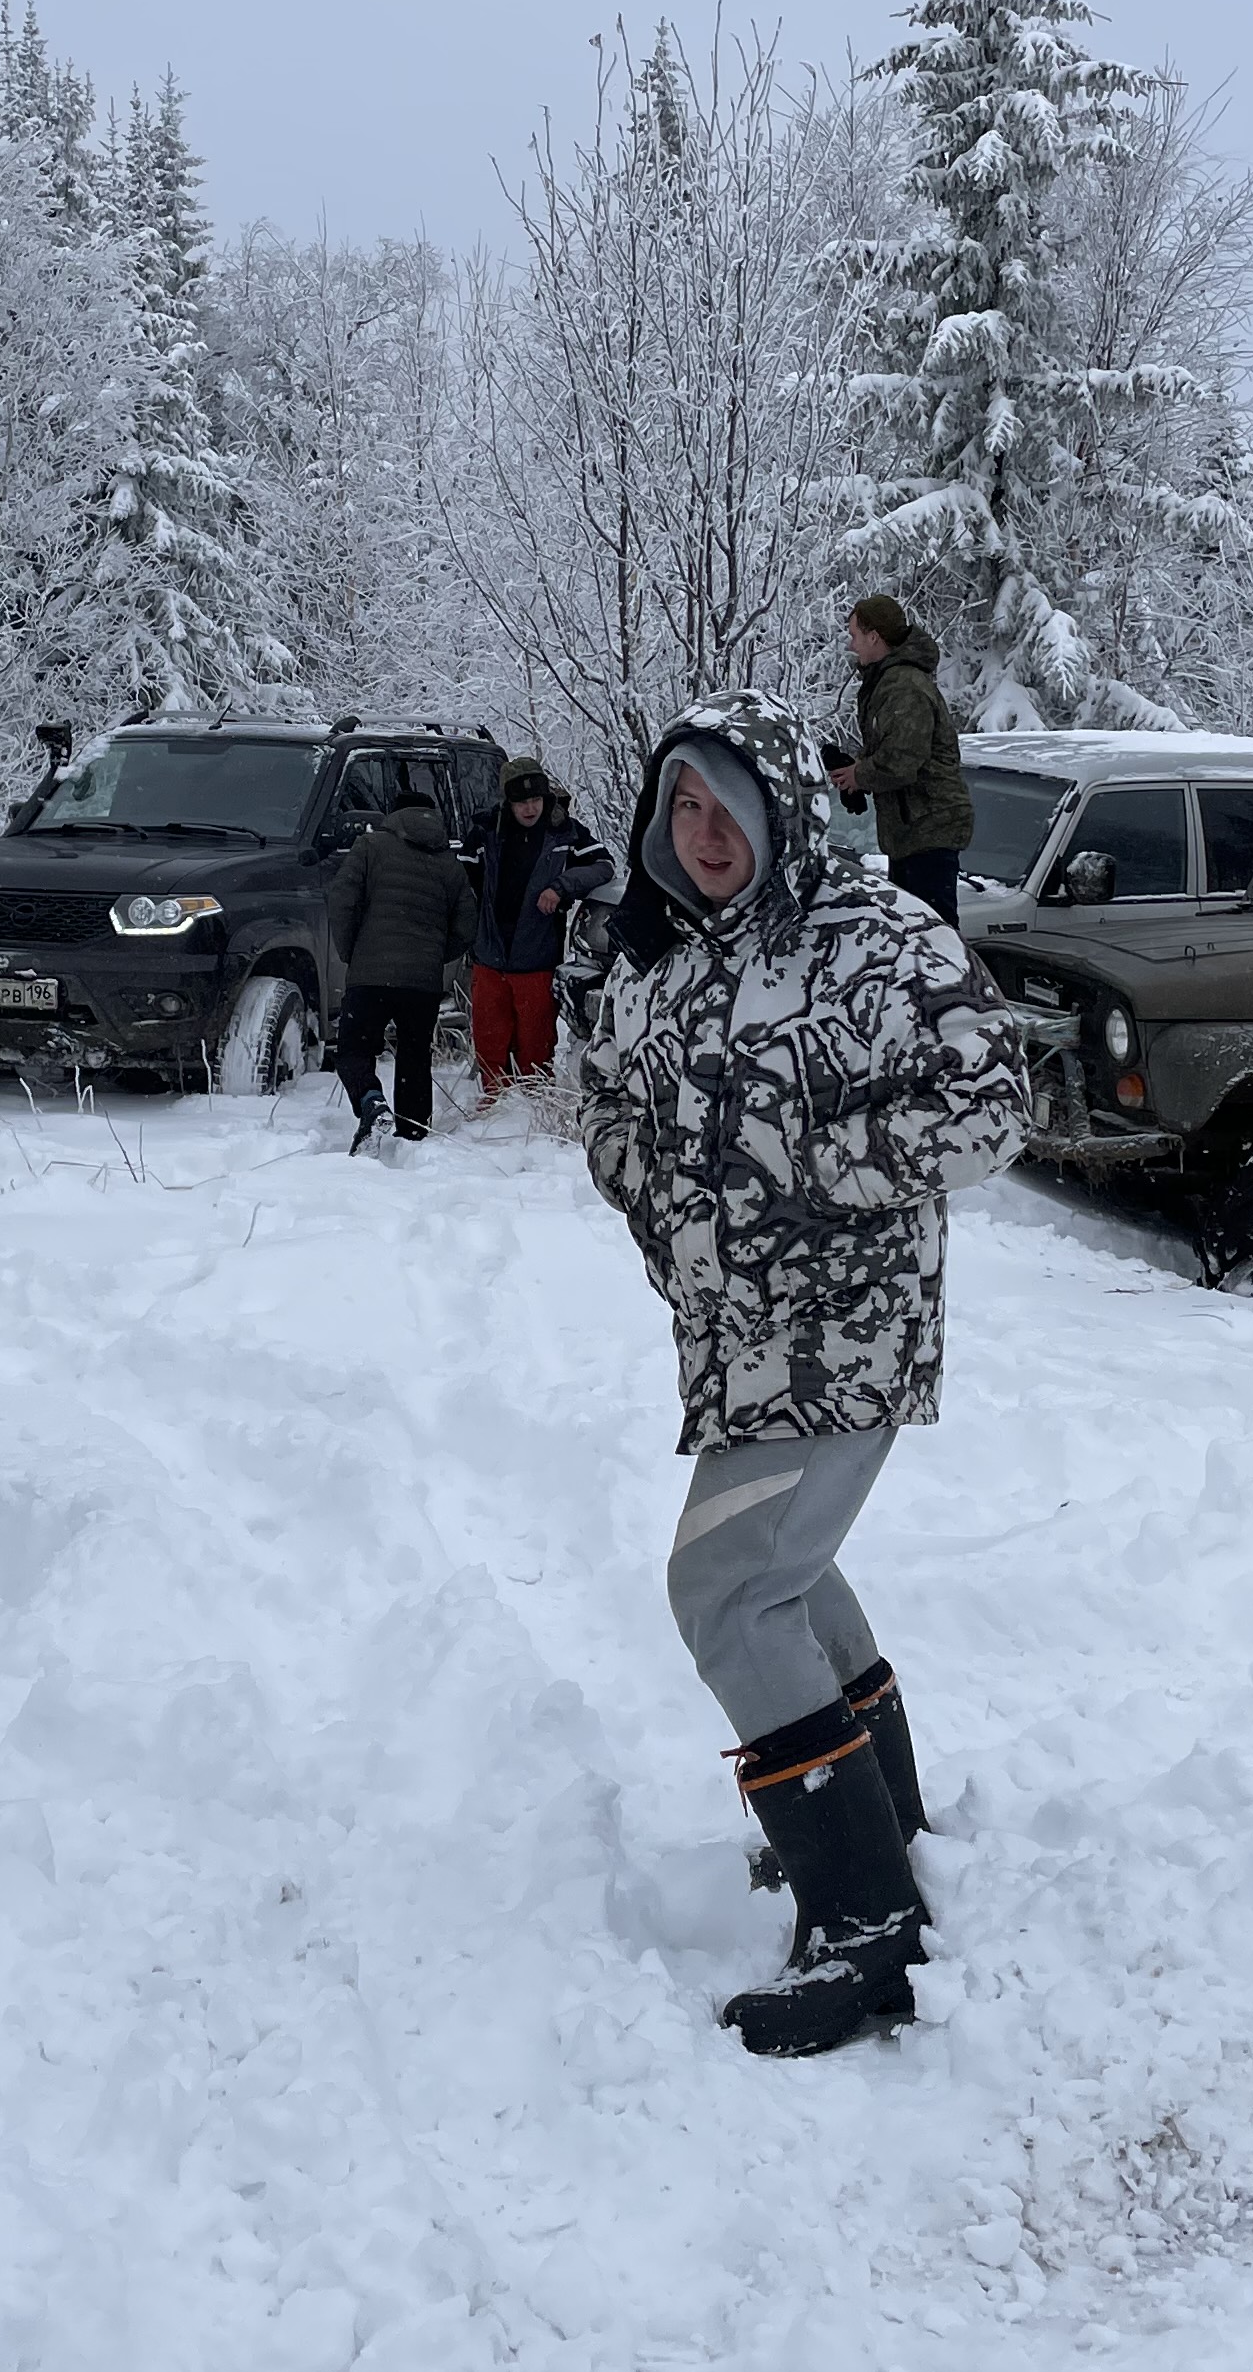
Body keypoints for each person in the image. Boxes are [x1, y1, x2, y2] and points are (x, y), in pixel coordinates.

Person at [580, 692, 1026, 2056]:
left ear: (786, 802)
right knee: (791, 1576)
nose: (706, 834)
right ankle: (879, 1828)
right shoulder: (663, 951)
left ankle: (867, 1927)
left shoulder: (880, 939)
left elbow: (994, 1103)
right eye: (684, 806)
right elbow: (604, 1091)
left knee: (722, 1587)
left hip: (845, 1326)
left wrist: (815, 1171)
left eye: (731, 804)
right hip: (729, 1337)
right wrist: (650, 1191)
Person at [324, 778, 473, 1151]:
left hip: (370, 975)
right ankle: (413, 1136)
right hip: (421, 982)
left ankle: (371, 1103)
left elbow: (342, 899)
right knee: (414, 1054)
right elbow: (467, 926)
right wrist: (433, 954)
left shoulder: (370, 846)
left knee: (354, 1050)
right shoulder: (450, 864)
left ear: (395, 815)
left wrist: (351, 949)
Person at [465, 754, 617, 1099]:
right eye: (522, 802)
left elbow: (604, 866)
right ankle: (493, 1106)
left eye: (536, 800)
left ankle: (534, 1107)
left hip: (536, 959)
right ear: (508, 802)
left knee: (536, 1044)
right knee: (490, 1040)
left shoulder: (565, 831)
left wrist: (561, 887)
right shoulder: (486, 831)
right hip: (489, 957)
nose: (530, 808)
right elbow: (460, 877)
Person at [825, 595, 972, 924]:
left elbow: (903, 759)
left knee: (931, 935)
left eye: (855, 635)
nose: (852, 645)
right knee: (912, 932)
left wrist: (860, 775)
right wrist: (855, 773)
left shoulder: (904, 686)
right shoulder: (890, 682)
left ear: (874, 636)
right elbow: (891, 746)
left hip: (929, 830)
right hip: (911, 830)